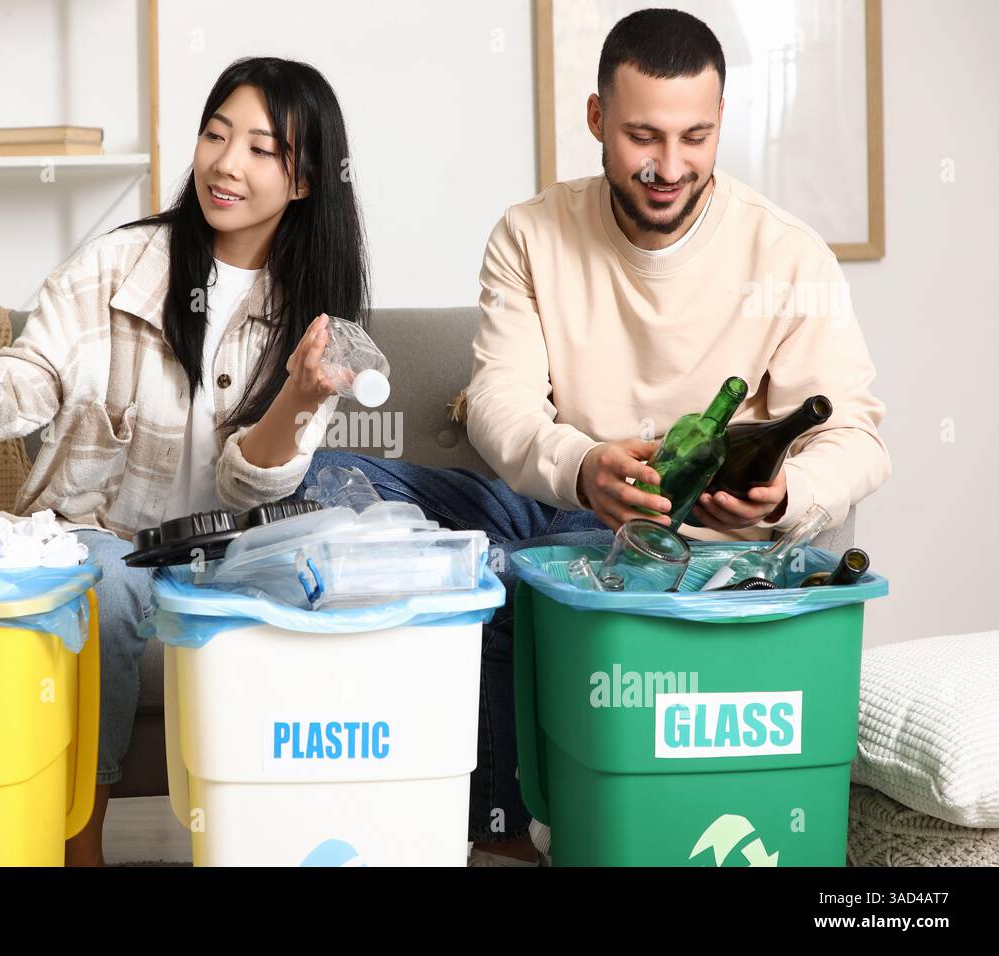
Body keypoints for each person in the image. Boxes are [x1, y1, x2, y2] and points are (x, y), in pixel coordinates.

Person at [301, 7, 891, 865]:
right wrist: (581, 467)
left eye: (695, 136)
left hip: (664, 547)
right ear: (596, 121)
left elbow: (858, 437)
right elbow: (500, 403)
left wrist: (788, 493)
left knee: (507, 581)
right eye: (642, 135)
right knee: (321, 479)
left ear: (720, 123)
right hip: (544, 505)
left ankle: (505, 837)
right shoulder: (531, 233)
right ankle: (467, 586)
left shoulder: (787, 257)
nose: (669, 166)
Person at [0, 56, 369, 865]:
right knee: (115, 584)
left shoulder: (316, 316)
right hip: (101, 533)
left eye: (261, 149)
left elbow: (253, 478)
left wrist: (300, 399)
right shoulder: (113, 267)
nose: (225, 163)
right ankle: (80, 845)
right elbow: (13, 402)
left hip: (233, 549)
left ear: (305, 179)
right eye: (214, 134)